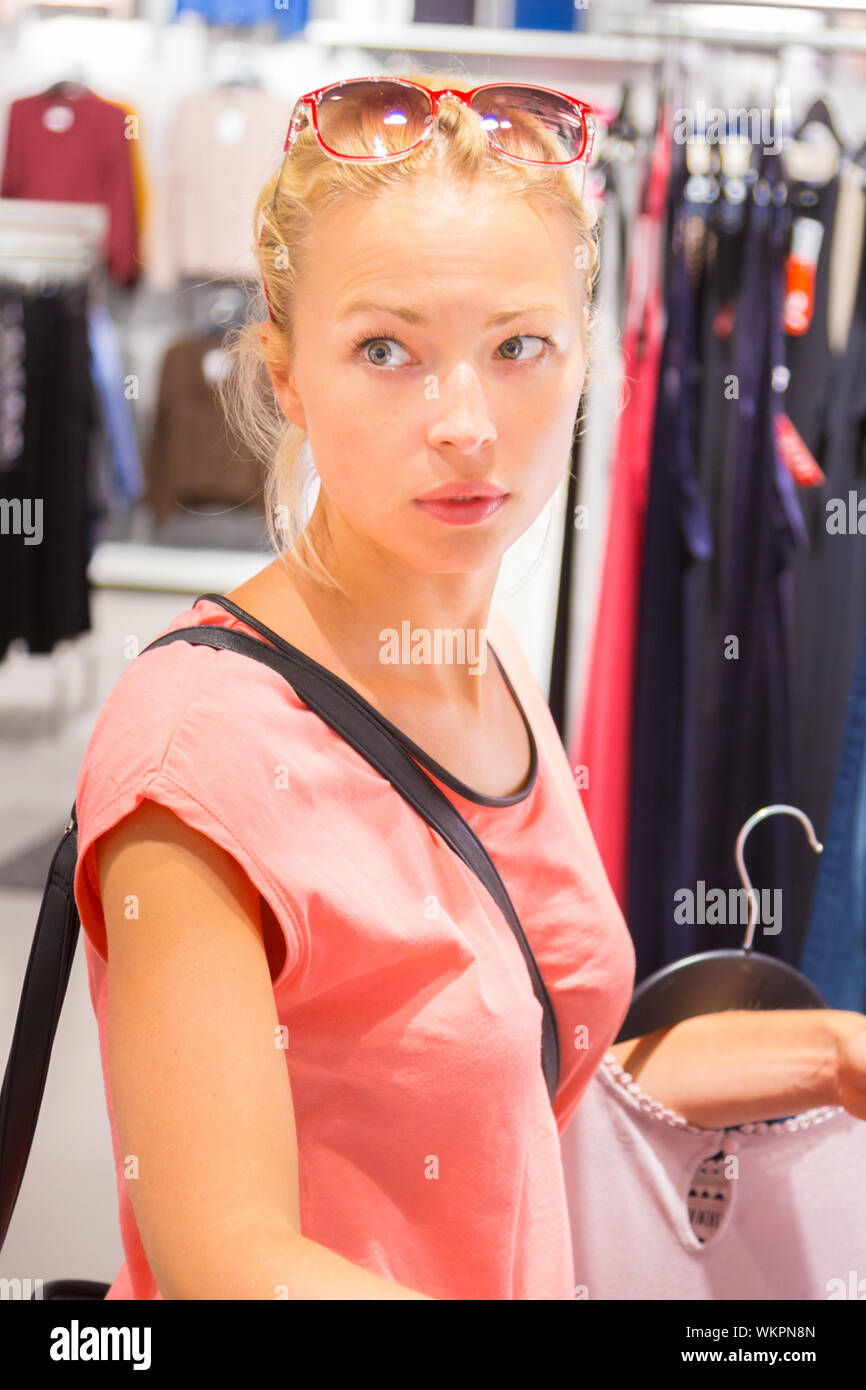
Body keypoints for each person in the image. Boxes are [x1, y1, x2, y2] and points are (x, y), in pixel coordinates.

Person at [74, 71, 866, 1302]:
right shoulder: (199, 751)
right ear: (284, 373)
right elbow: (228, 1264)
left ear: (584, 359)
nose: (464, 422)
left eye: (517, 347)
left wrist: (829, 1050)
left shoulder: (480, 671)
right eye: (386, 349)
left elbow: (548, 1084)